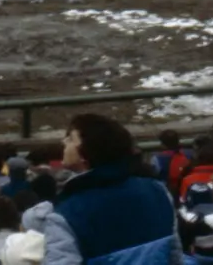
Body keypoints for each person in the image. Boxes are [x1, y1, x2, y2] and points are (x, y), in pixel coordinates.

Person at [23, 113, 178, 264]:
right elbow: (175, 254)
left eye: (70, 138)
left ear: (87, 152)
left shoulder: (67, 215)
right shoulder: (158, 191)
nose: (63, 142)